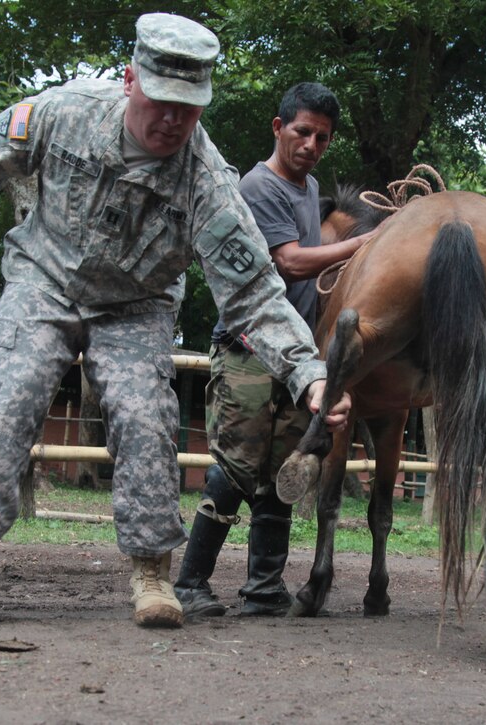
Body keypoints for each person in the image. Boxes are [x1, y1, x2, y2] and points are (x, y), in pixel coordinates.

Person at [0, 13, 351, 629]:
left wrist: (307, 374)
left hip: (136, 303)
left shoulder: (209, 183)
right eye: (161, 103)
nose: (173, 121)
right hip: (44, 279)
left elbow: (257, 293)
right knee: (12, 391)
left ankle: (153, 573)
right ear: (130, 81)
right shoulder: (62, 111)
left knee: (144, 414)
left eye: (189, 109)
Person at [175, 82, 374, 617]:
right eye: (302, 131)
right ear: (278, 127)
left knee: (282, 469)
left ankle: (263, 587)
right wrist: (363, 244)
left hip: (293, 357)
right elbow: (288, 262)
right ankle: (190, 583)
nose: (311, 144)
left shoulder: (308, 191)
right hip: (246, 347)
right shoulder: (259, 187)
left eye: (322, 138)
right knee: (236, 467)